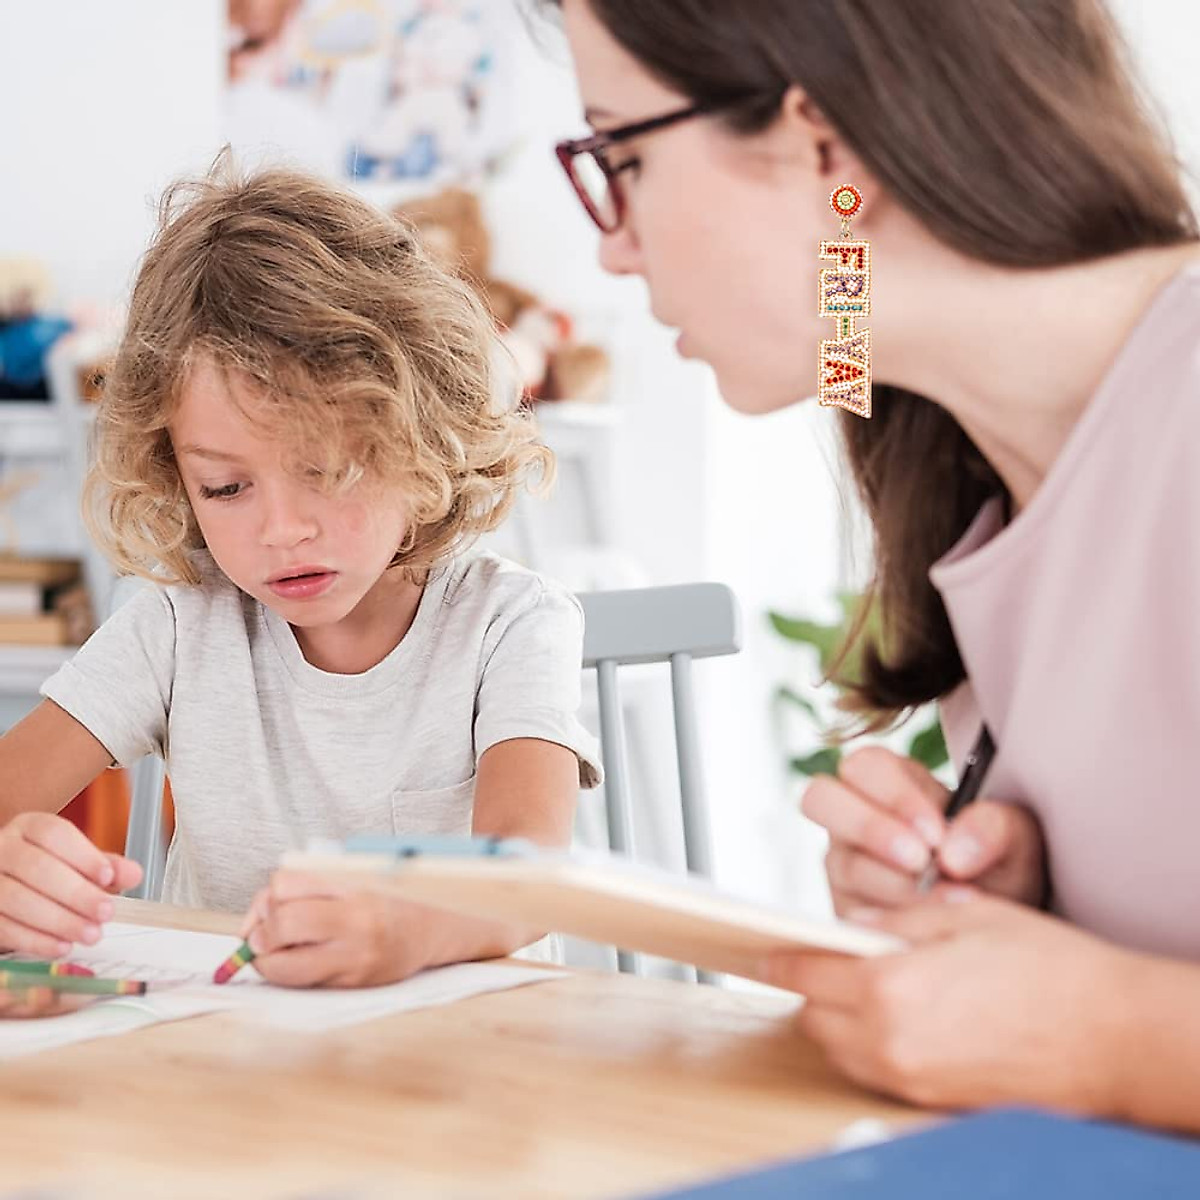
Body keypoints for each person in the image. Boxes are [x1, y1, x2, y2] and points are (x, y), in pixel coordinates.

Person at [546, 0, 1200, 1130]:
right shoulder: (970, 471)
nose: (613, 242)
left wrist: (1112, 1031)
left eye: (622, 156)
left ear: (825, 145)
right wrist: (1012, 914)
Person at [0, 164, 601, 1011]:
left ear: (420, 436)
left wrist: (409, 924)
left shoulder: (510, 625)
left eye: (329, 469)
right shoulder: (180, 625)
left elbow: (530, 871)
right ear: (176, 476)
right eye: (226, 489)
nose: (282, 530)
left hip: (468, 1073)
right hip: (232, 1074)